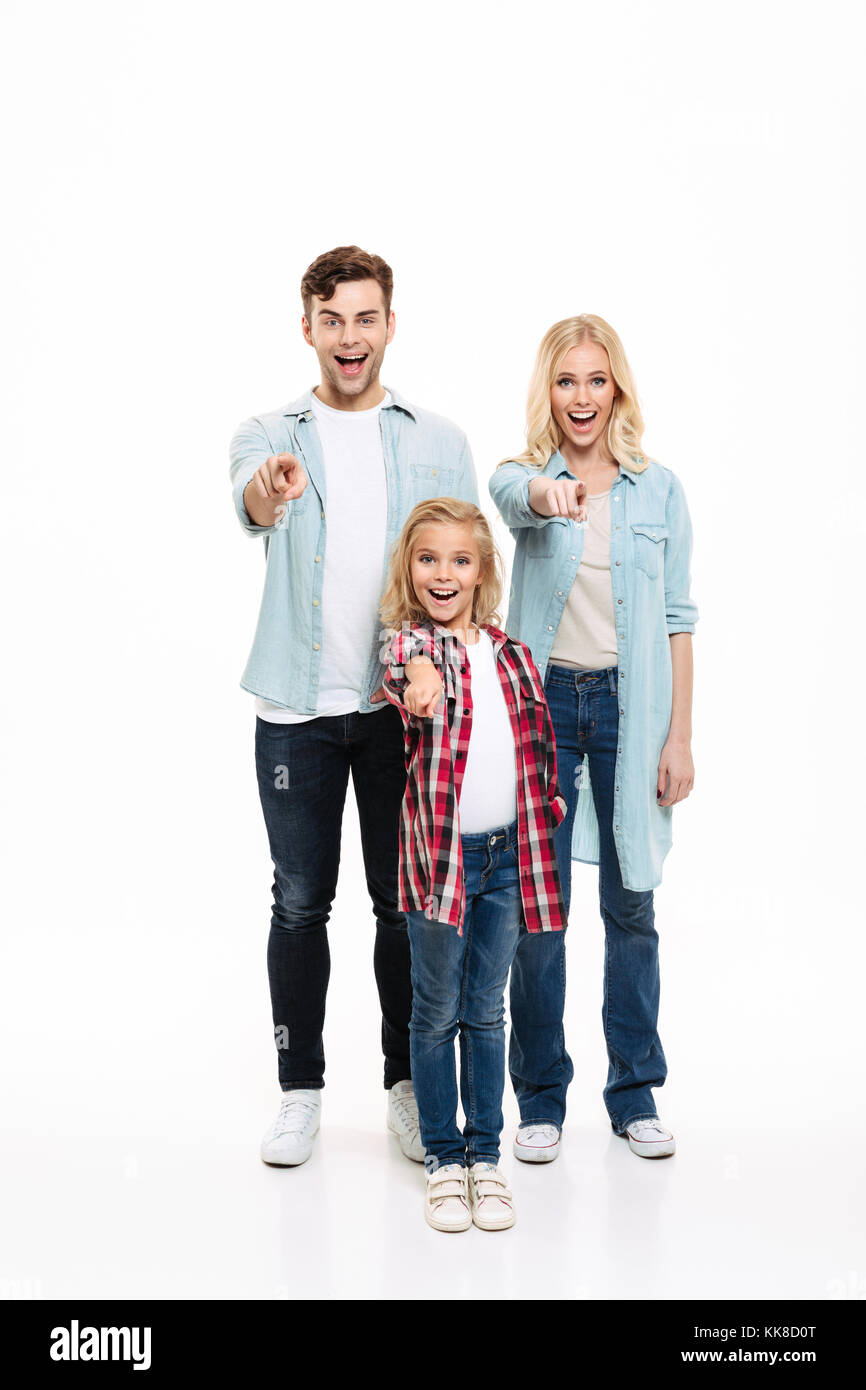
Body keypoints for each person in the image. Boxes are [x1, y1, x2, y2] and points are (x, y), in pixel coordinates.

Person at [229, 246, 478, 1167]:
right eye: (331, 320)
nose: (349, 338)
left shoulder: (437, 439)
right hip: (296, 708)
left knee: (399, 904)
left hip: (399, 712)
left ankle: (405, 1087)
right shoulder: (267, 434)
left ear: (389, 326)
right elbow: (253, 502)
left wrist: (440, 670)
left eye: (364, 318)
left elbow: (462, 568)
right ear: (308, 328)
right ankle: (300, 1095)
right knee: (299, 903)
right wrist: (274, 488)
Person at [488, 314, 698, 1162]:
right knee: (539, 915)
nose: (582, 398)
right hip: (543, 712)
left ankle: (635, 1090)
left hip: (627, 710)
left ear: (618, 388)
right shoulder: (525, 478)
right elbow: (512, 497)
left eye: (596, 380)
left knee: (632, 906)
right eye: (566, 381)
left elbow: (680, 619)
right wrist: (549, 495)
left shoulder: (660, 491)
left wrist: (679, 737)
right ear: (550, 391)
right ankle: (539, 1100)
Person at [379, 499, 568, 1231]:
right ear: (410, 569)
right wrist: (422, 671)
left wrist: (543, 817)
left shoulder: (511, 654)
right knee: (436, 1013)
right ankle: (442, 1160)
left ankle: (485, 1158)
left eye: (460, 559)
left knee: (487, 1012)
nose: (444, 573)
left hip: (506, 861)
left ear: (483, 570)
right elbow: (402, 667)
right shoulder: (410, 648)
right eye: (428, 559)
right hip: (439, 862)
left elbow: (538, 751)